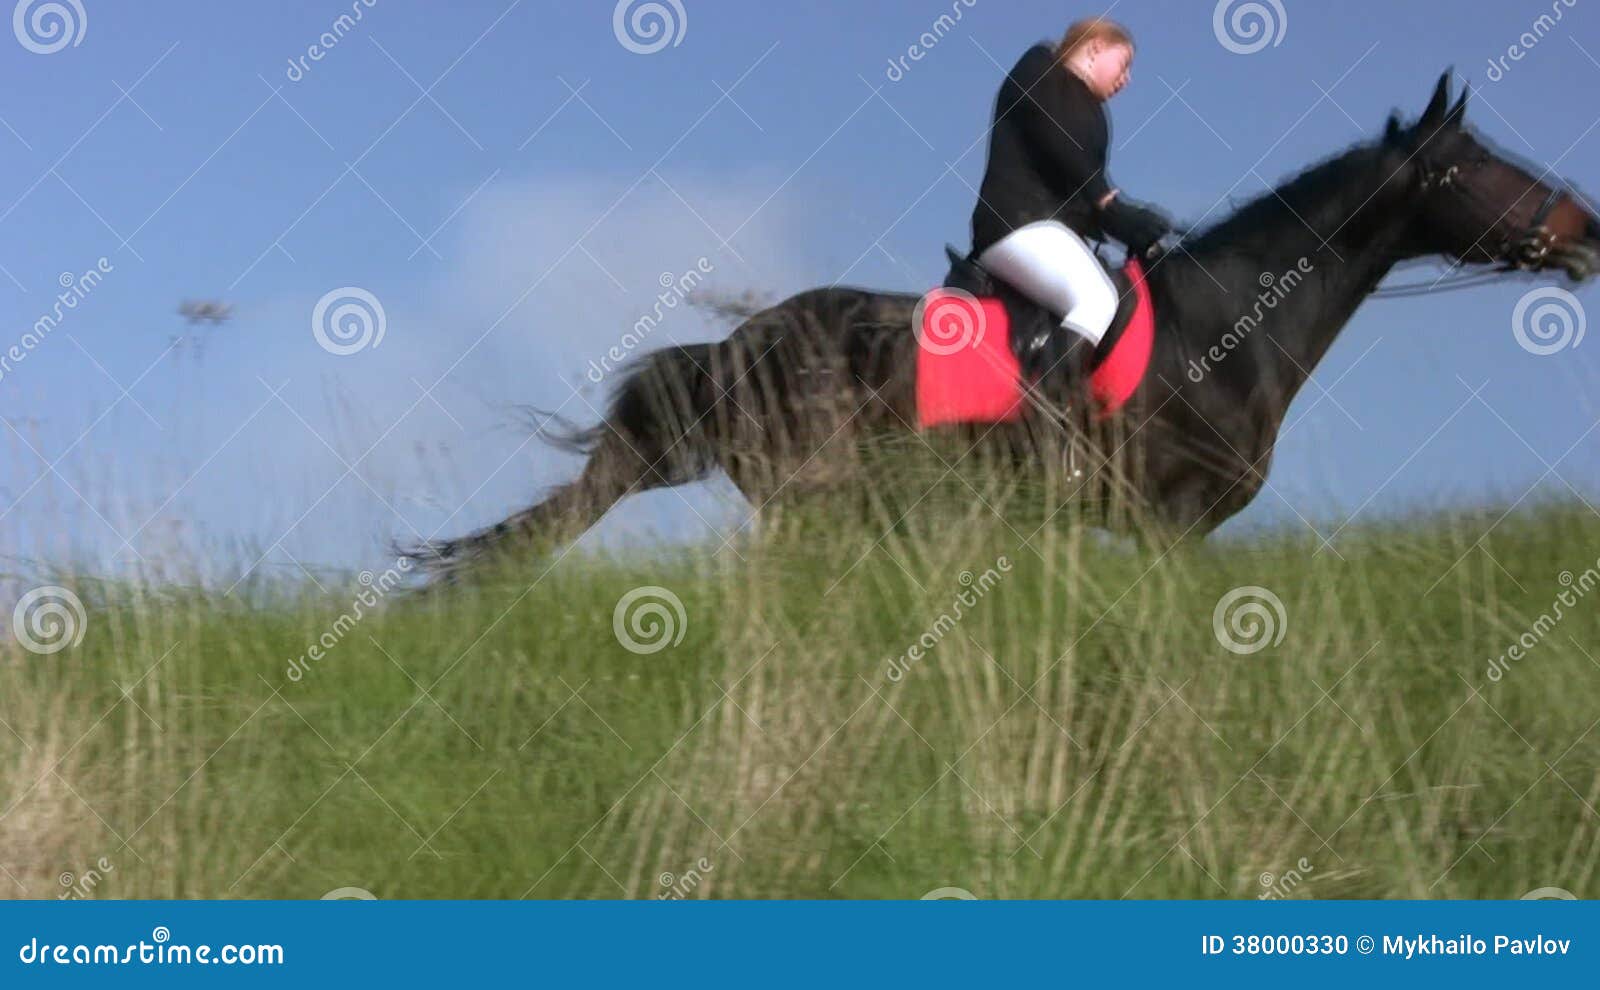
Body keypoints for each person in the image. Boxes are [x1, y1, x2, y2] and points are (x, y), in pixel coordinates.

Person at [967, 18, 1172, 389]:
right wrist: (1109, 204)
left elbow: (1080, 195)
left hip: (1051, 234)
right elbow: (1060, 145)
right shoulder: (1039, 67)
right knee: (1096, 299)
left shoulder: (1095, 116)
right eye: (1124, 64)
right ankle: (1044, 413)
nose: (1127, 80)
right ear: (1095, 47)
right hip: (1016, 224)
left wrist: (1131, 231)